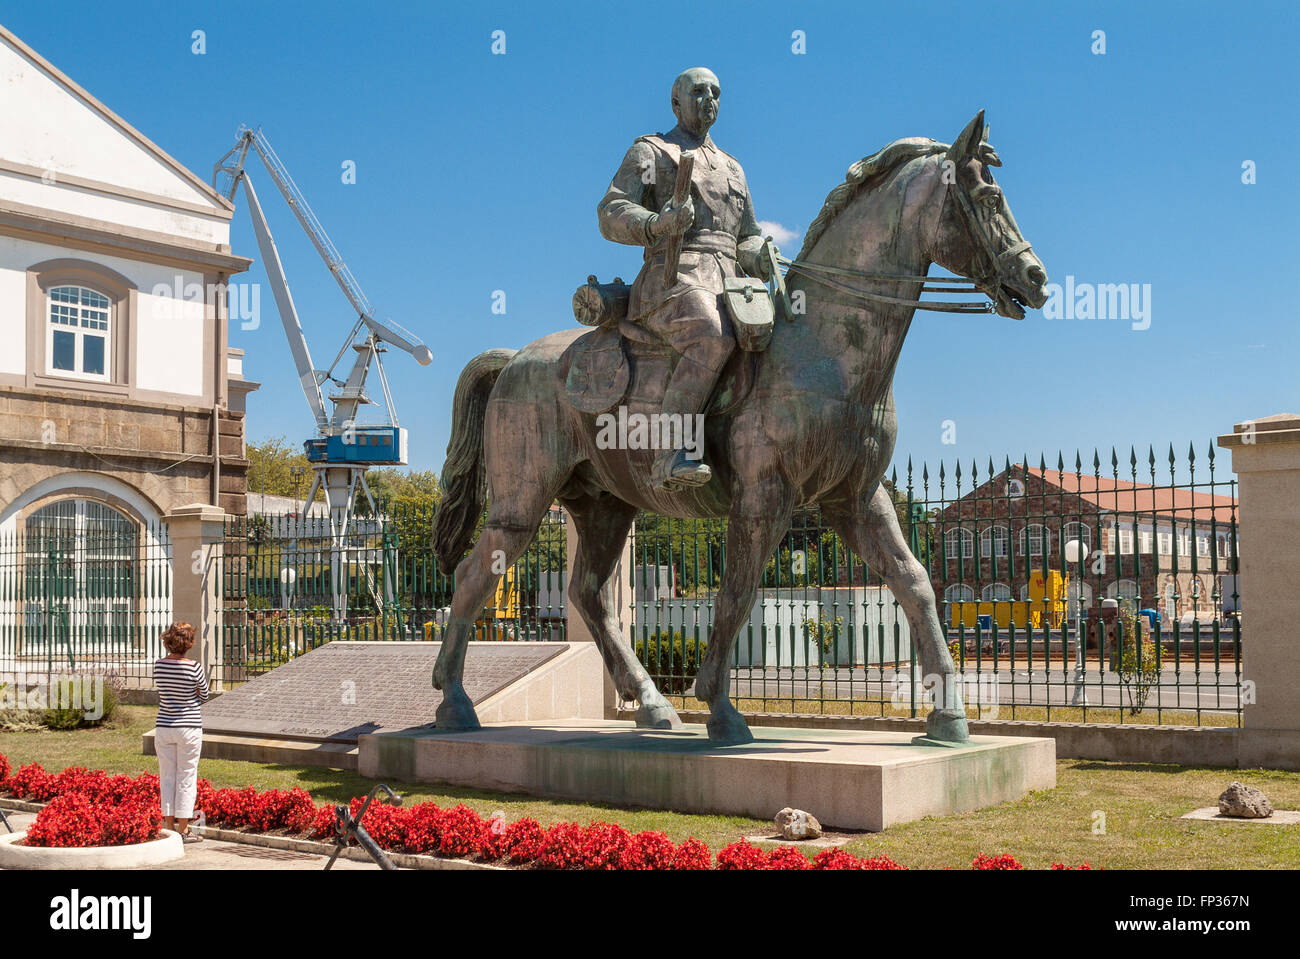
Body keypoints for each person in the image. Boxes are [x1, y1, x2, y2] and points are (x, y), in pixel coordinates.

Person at [598, 66, 772, 490]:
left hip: (731, 281)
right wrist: (658, 223)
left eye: (716, 92)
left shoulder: (733, 167)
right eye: (698, 92)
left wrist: (761, 253)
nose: (708, 99)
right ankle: (670, 451)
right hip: (671, 277)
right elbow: (611, 212)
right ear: (676, 102)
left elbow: (744, 237)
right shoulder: (653, 152)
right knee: (712, 334)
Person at [153, 621, 208, 844]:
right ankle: (184, 829)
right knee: (186, 777)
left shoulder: (159, 665)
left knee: (166, 776)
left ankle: (168, 827)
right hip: (189, 726)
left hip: (164, 726)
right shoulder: (194, 667)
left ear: (168, 641)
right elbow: (204, 694)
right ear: (189, 643)